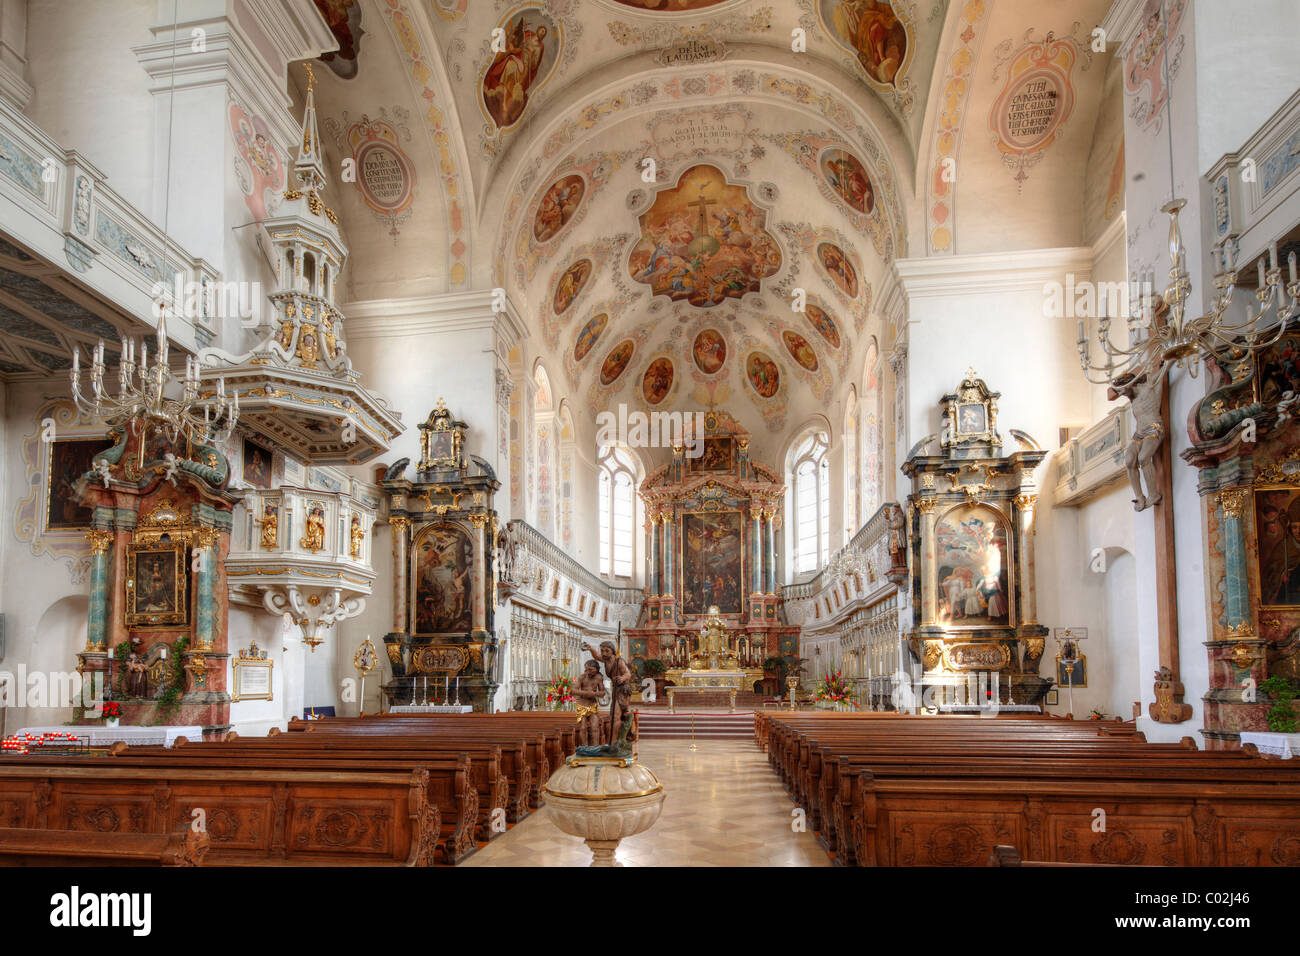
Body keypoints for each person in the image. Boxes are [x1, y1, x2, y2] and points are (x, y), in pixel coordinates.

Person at [573, 660, 605, 747]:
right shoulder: (582, 677)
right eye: (586, 669)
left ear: (596, 669)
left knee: (595, 727)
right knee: (583, 727)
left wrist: (594, 694)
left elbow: (602, 693)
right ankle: (585, 747)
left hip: (592, 704)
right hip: (582, 704)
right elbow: (573, 690)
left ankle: (595, 747)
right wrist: (585, 693)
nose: (588, 672)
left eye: (591, 670)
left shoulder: (599, 678)